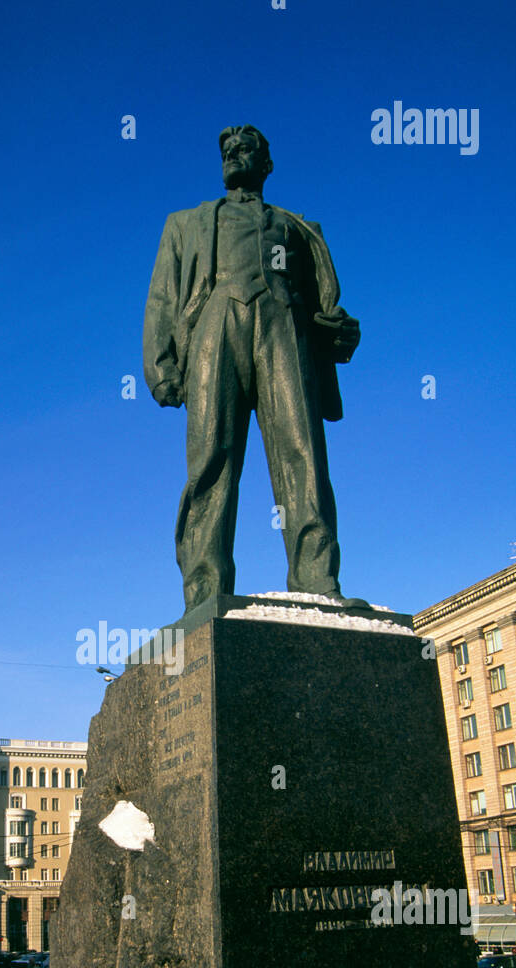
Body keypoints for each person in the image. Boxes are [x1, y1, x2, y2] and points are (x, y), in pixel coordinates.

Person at [144, 125, 365, 613]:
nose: (233, 156)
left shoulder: (296, 228)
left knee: (301, 452)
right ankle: (205, 592)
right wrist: (161, 366)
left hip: (283, 328)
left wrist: (341, 334)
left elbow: (321, 309)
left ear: (266, 164)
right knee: (210, 460)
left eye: (244, 150)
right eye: (226, 151)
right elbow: (162, 296)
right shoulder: (187, 224)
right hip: (213, 325)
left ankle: (316, 579)